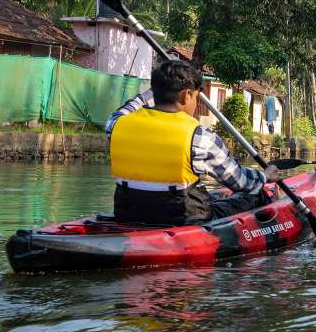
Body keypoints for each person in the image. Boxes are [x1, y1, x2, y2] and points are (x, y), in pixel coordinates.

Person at [106, 60, 280, 225]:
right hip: (184, 219)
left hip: (128, 214)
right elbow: (240, 182)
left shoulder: (116, 125)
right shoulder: (200, 137)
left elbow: (131, 106)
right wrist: (265, 175)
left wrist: (161, 86)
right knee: (255, 195)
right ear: (186, 95)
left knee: (213, 197)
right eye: (196, 97)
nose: (196, 104)